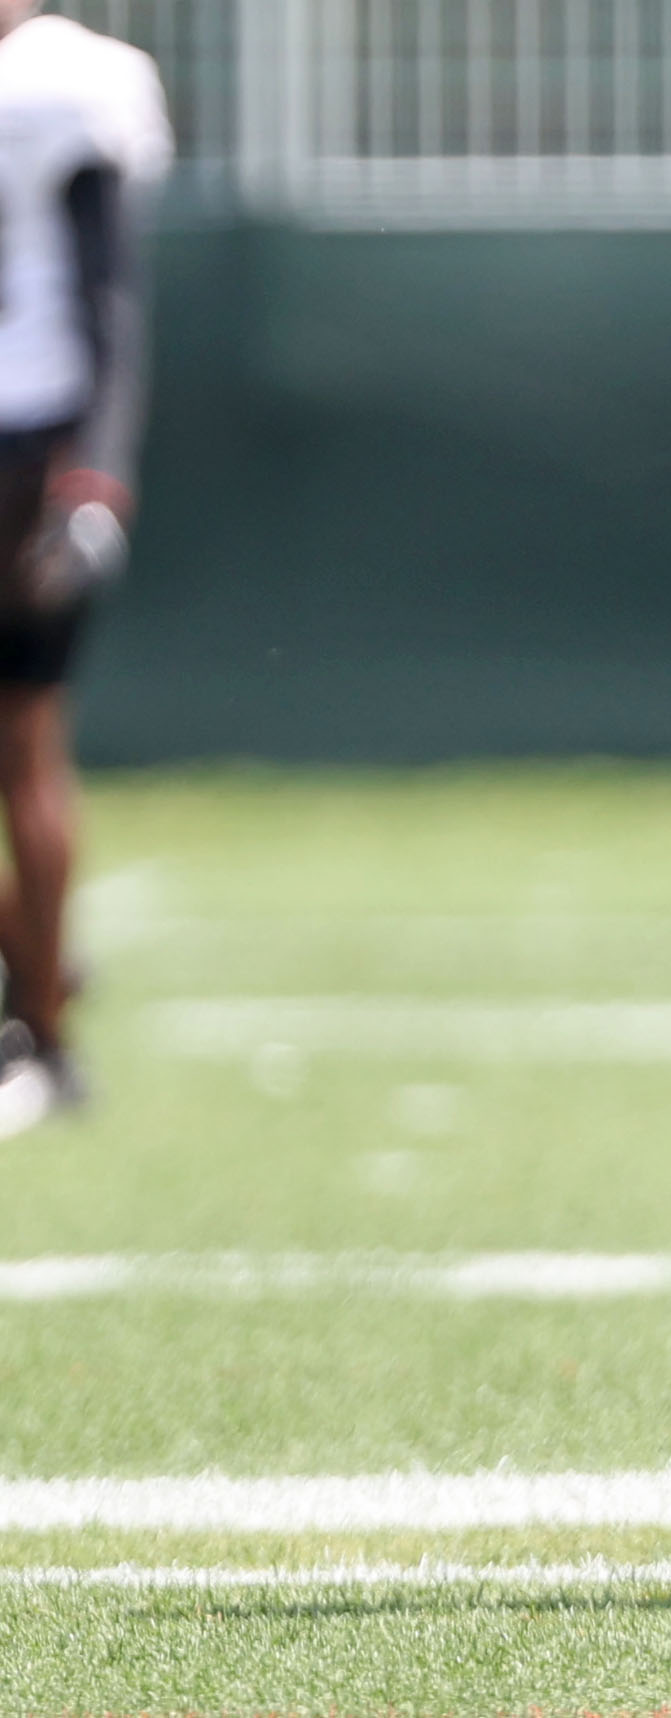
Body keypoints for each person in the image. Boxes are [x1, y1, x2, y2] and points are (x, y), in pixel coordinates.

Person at [0, 0, 169, 1135]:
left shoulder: (63, 83)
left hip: (28, 438)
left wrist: (92, 476)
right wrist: (101, 471)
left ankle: (42, 1015)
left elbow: (103, 287)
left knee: (27, 738)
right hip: (43, 434)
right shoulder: (83, 79)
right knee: (27, 740)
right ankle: (44, 1017)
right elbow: (114, 296)